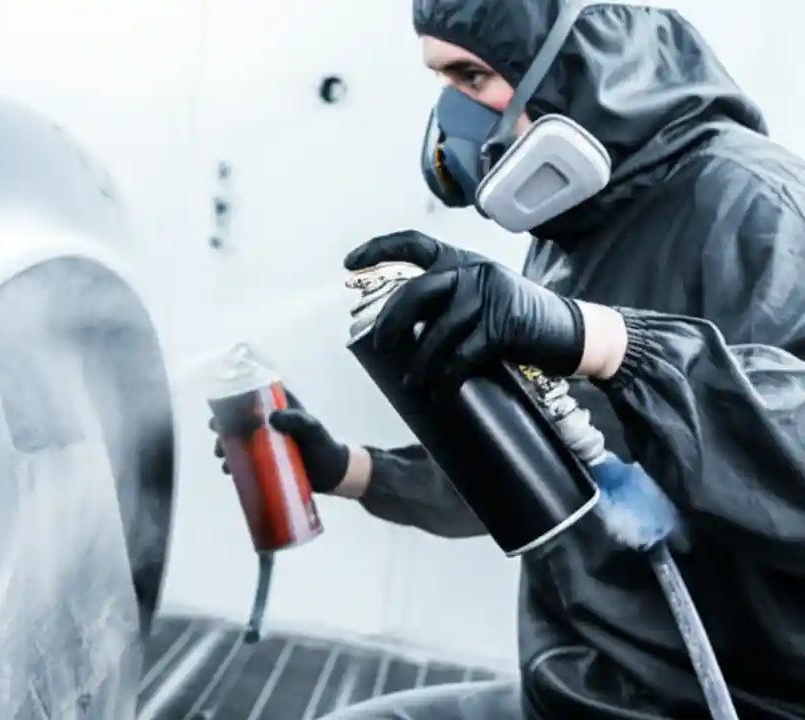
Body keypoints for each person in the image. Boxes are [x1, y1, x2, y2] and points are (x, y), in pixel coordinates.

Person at [213, 1, 805, 718]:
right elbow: (551, 467)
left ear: (580, 70)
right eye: (441, 80)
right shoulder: (575, 227)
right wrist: (349, 469)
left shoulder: (758, 203)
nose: (451, 119)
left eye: (471, 77)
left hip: (719, 702)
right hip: (579, 690)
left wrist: (607, 343)